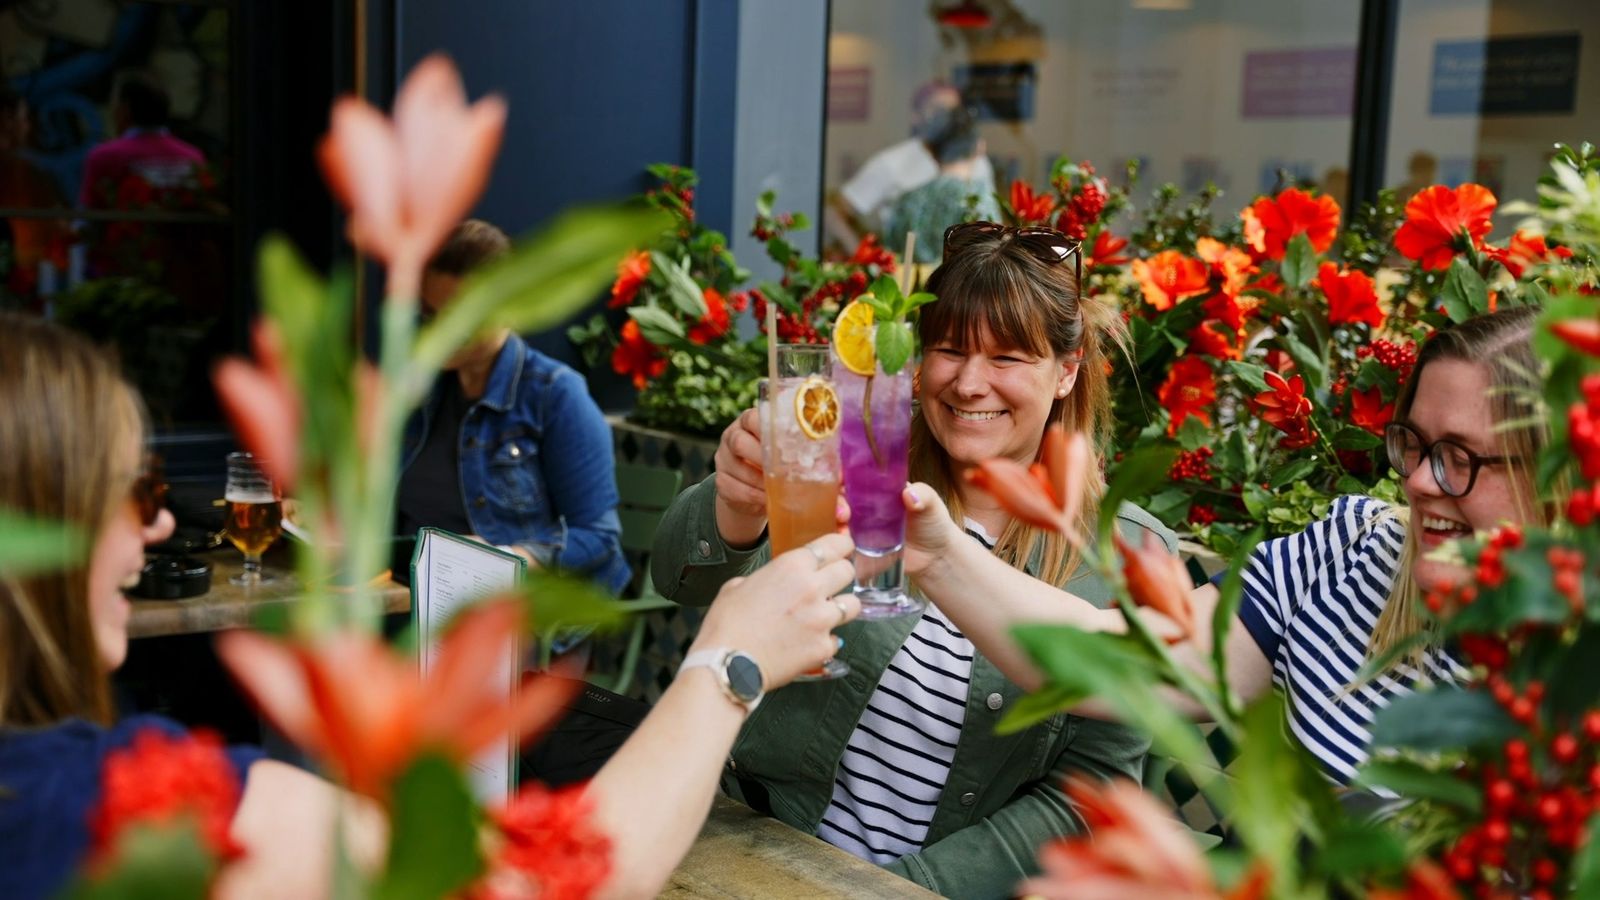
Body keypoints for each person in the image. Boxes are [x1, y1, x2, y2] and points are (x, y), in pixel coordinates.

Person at [0, 312, 862, 899]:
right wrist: (727, 663)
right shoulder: (102, 798)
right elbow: (537, 881)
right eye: (127, 492)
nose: (155, 521)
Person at [651, 222, 1173, 898]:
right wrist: (737, 509)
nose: (969, 383)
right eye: (949, 349)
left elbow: (1087, 798)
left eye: (1007, 358)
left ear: (1066, 371)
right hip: (751, 857)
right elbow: (677, 576)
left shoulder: (1126, 554)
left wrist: (883, 890)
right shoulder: (856, 460)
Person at [900, 306, 1544, 786]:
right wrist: (938, 552)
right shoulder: (1352, 554)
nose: (1422, 481)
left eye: (1459, 457)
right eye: (1415, 444)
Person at [396, 219, 630, 598]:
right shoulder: (418, 390)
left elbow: (599, 539)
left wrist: (502, 559)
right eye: (429, 313)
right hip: (413, 604)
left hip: (518, 616)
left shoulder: (556, 395)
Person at [826, 83, 996, 252]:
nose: (946, 119)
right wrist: (865, 259)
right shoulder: (892, 164)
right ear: (916, 115)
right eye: (938, 110)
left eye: (954, 111)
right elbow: (835, 212)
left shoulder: (979, 164)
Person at [883, 104, 1000, 265]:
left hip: (912, 289)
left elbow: (891, 257)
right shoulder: (978, 197)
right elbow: (990, 260)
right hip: (958, 288)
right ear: (980, 147)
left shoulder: (907, 200)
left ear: (930, 149)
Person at [78, 72, 208, 210]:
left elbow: (86, 219)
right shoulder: (194, 157)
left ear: (125, 109)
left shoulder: (104, 156)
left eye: (114, 103)